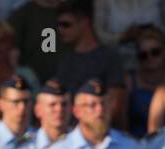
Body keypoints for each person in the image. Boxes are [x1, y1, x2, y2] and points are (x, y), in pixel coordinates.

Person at [52, 0, 127, 129]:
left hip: (103, 132)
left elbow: (116, 105)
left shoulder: (109, 57)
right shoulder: (64, 60)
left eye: (66, 24)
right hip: (70, 137)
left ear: (85, 23)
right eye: (58, 25)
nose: (61, 30)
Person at [124, 25, 165, 138]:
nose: (150, 57)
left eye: (155, 52)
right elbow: (122, 124)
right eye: (143, 55)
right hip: (136, 142)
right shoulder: (130, 80)